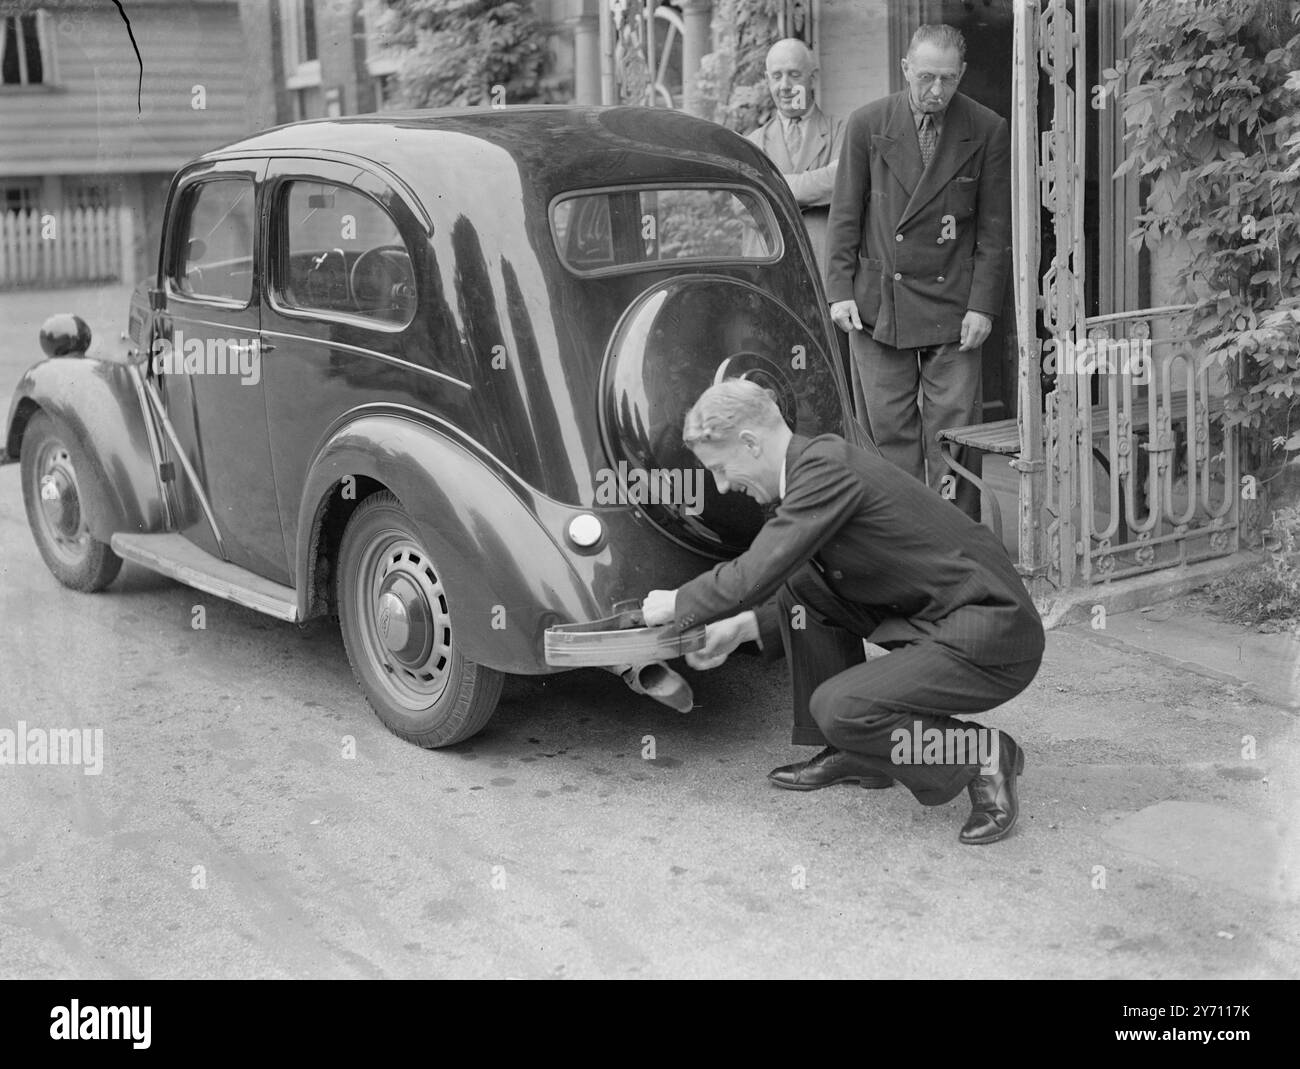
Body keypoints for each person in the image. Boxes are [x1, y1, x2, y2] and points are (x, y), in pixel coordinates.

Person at [640, 379, 1044, 845]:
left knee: (842, 707)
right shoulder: (815, 466)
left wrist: (678, 603)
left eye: (720, 468)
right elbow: (795, 578)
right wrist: (745, 626)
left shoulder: (824, 470)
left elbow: (755, 569)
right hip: (941, 615)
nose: (724, 485)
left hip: (991, 633)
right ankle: (858, 753)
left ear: (750, 443)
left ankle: (982, 754)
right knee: (802, 583)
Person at [824, 24, 1011, 520]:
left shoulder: (987, 127)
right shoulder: (867, 123)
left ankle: (957, 539)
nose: (936, 91)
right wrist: (839, 291)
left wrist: (983, 307)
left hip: (955, 309)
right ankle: (903, 539)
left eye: (948, 79)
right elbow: (845, 214)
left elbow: (994, 229)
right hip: (880, 304)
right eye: (926, 76)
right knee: (888, 436)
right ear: (906, 68)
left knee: (953, 437)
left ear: (962, 74)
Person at [746, 38, 846, 270]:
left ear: (813, 78)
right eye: (777, 76)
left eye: (794, 74)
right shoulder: (751, 143)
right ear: (767, 79)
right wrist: (813, 192)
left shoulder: (842, 131)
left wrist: (768, 185)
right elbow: (743, 205)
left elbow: (838, 183)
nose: (785, 86)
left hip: (823, 270)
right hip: (771, 274)